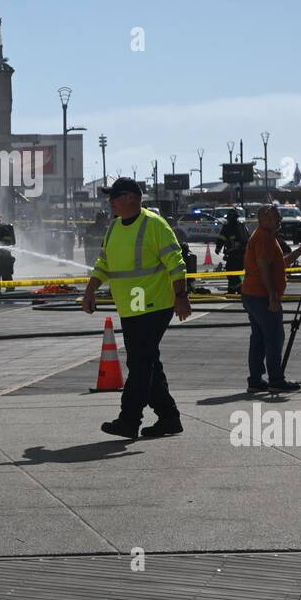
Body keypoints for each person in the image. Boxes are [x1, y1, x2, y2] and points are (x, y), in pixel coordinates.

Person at [82, 178, 191, 438]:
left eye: (115, 197)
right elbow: (104, 263)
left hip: (154, 304)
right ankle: (169, 417)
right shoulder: (114, 228)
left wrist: (181, 296)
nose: (110, 202)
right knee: (148, 361)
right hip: (131, 307)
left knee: (140, 363)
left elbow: (176, 263)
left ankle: (129, 420)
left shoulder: (154, 224)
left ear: (131, 197)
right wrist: (90, 289)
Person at [242, 204, 301, 393]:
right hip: (261, 296)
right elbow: (264, 269)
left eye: (278, 216)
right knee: (274, 337)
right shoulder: (263, 238)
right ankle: (276, 380)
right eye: (275, 217)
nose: (279, 220)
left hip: (253, 294)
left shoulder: (267, 238)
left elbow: (279, 265)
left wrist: (298, 251)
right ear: (263, 218)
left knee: (259, 338)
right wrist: (273, 295)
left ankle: (255, 380)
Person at [214, 209, 249, 294]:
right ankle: (235, 289)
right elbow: (248, 238)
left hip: (233, 255)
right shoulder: (242, 226)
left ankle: (237, 288)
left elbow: (221, 239)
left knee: (230, 272)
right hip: (243, 255)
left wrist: (218, 248)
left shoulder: (227, 227)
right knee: (240, 272)